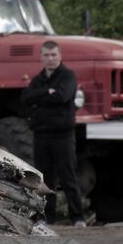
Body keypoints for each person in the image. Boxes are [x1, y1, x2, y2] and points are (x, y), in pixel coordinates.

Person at [20, 40, 85, 227]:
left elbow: (63, 96)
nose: (50, 59)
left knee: (68, 175)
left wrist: (41, 99)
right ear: (41, 57)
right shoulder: (39, 79)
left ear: (60, 56)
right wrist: (47, 92)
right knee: (45, 179)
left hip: (62, 135)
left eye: (54, 55)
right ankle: (47, 218)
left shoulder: (68, 76)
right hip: (41, 134)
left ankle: (78, 217)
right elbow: (25, 98)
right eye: (47, 55)